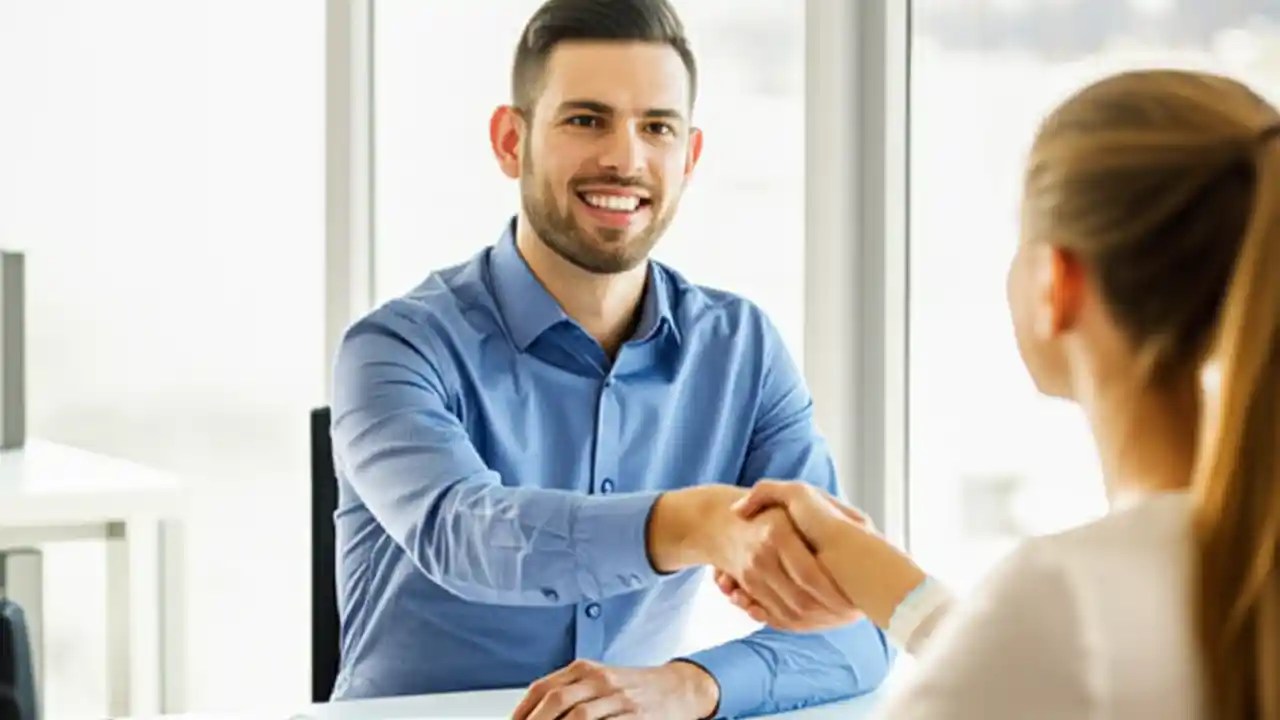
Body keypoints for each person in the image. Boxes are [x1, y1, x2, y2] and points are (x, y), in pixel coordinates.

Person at [328, 0, 892, 717]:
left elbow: (855, 631)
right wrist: (693, 523)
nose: (625, 159)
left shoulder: (740, 350)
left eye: (657, 127)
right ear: (511, 141)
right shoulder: (395, 347)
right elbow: (464, 533)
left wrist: (688, 684)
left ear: (688, 157)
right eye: (586, 120)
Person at [720, 69, 1280, 719]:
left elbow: (1050, 661)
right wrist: (891, 588)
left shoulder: (1066, 604)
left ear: (1055, 283)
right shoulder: (1172, 590)